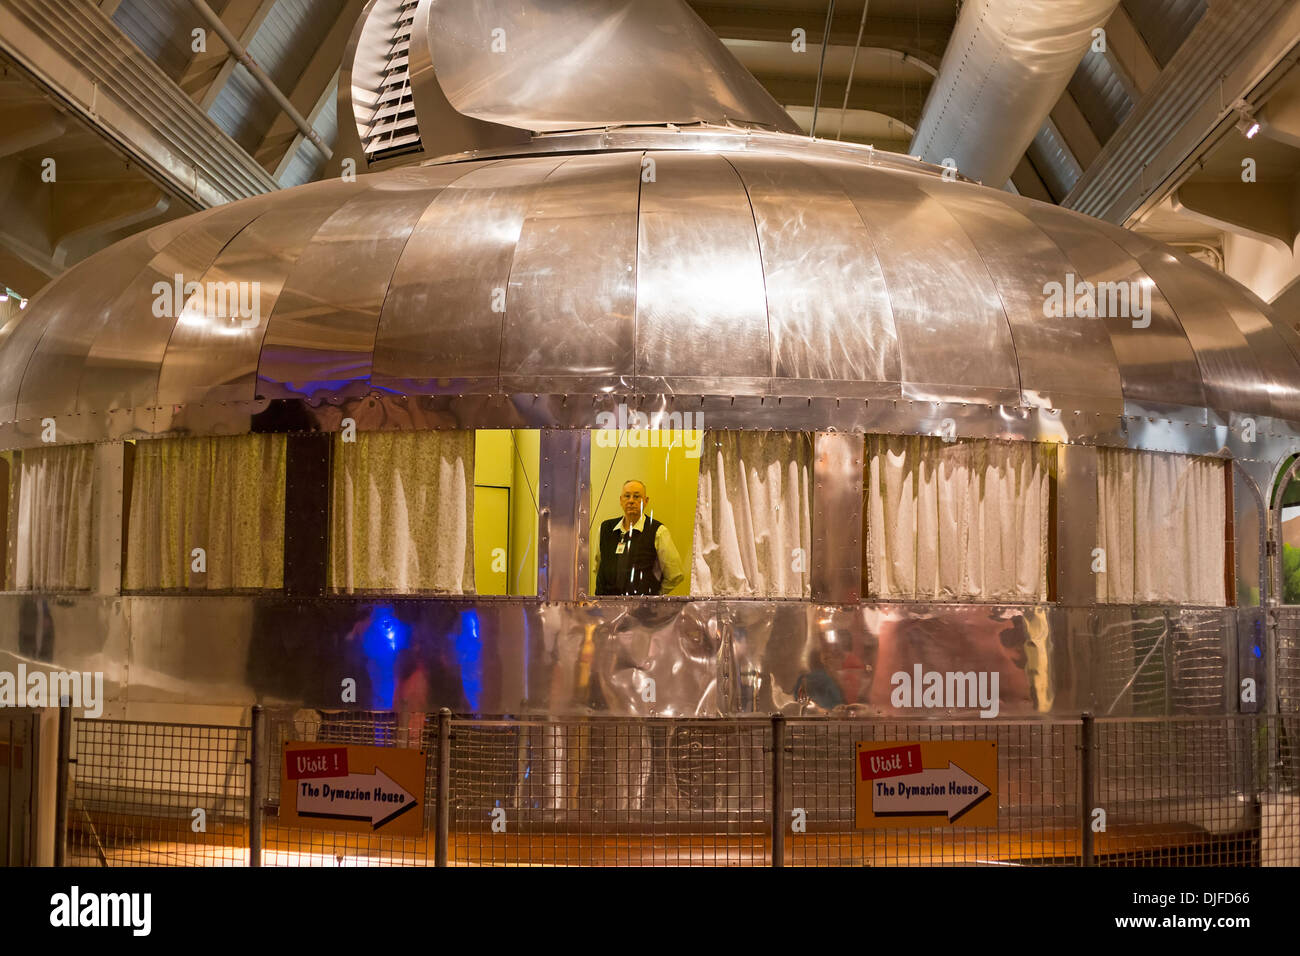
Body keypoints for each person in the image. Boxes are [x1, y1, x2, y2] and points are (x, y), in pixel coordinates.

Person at [594, 479, 685, 595]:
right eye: (627, 496)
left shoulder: (658, 531)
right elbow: (597, 567)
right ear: (621, 500)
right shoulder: (604, 529)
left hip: (642, 608)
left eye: (636, 497)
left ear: (646, 501)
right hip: (606, 606)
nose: (631, 501)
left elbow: (675, 574)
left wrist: (655, 594)